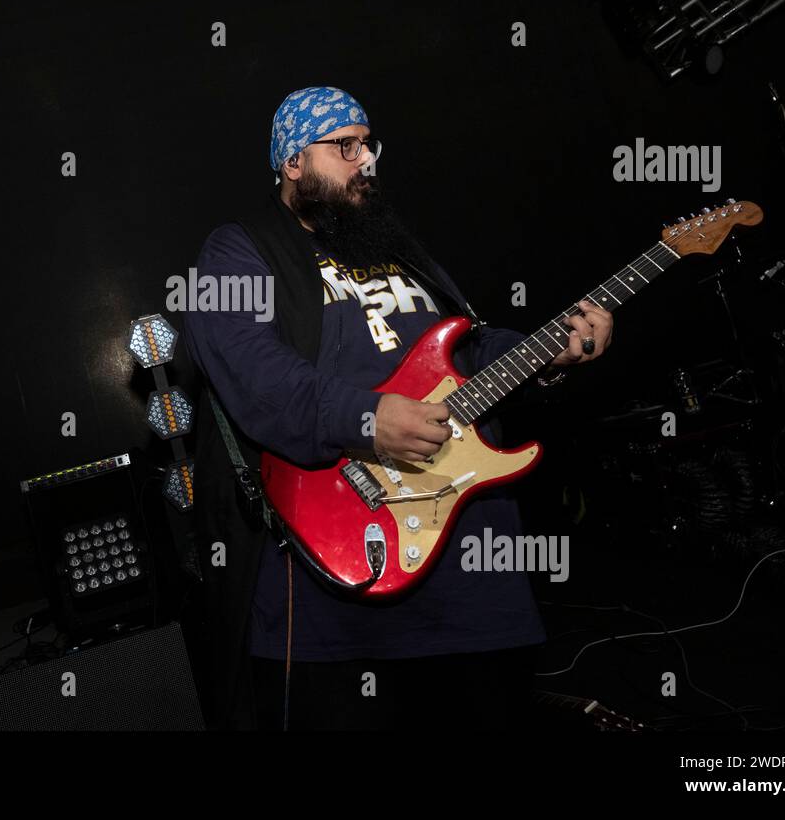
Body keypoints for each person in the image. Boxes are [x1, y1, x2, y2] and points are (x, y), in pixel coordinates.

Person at [183, 86, 613, 730]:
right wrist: (367, 419)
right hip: (337, 559)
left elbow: (469, 344)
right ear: (293, 160)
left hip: (471, 569)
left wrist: (548, 350)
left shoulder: (397, 248)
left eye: (369, 145)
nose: (366, 161)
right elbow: (254, 373)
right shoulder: (239, 249)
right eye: (346, 146)